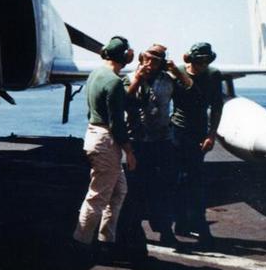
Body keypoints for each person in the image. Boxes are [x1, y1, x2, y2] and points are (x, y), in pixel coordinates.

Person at [123, 44, 192, 248]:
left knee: (163, 189)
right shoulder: (129, 78)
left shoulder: (168, 80)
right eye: (147, 58)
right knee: (134, 190)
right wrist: (138, 80)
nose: (149, 63)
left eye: (155, 60)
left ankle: (165, 231)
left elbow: (189, 87)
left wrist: (175, 70)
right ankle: (134, 233)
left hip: (162, 141)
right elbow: (124, 101)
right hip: (137, 141)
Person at [73, 36, 137, 255]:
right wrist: (129, 152)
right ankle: (81, 244)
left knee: (119, 190)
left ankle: (106, 239)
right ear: (123, 56)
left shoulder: (95, 74)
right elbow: (117, 123)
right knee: (97, 197)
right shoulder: (114, 81)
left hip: (94, 134)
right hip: (107, 140)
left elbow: (91, 111)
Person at [171, 42, 224, 244]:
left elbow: (217, 106)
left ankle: (199, 225)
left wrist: (211, 134)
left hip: (198, 133)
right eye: (199, 60)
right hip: (177, 131)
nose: (203, 64)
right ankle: (181, 224)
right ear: (190, 59)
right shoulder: (176, 73)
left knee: (195, 180)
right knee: (179, 179)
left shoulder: (213, 75)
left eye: (206, 60)